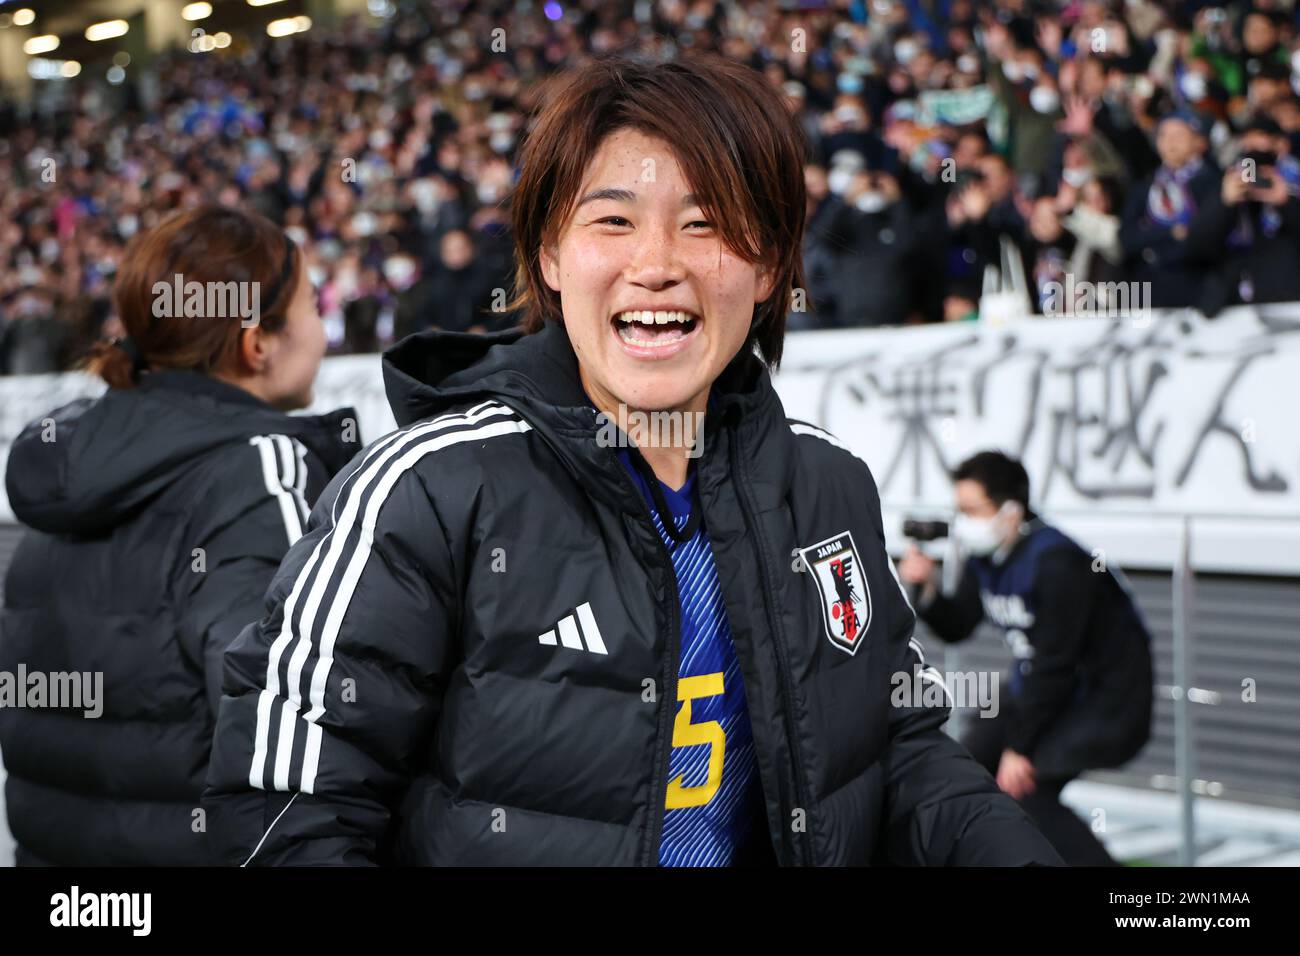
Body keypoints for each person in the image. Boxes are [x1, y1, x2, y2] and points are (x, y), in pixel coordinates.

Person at [203, 52, 1061, 867]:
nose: (657, 266)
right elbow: (285, 804)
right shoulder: (424, 491)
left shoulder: (828, 485)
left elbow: (895, 751)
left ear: (768, 268)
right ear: (549, 256)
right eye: (613, 220)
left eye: (708, 224)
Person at [0, 205, 360, 865]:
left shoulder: (68, 469)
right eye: (313, 303)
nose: (324, 327)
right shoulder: (257, 465)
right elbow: (280, 730)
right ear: (258, 343)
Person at [898, 451, 1154, 866]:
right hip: (1042, 689)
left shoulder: (1057, 562)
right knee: (965, 770)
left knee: (1026, 790)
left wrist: (1020, 747)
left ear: (1011, 512)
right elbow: (958, 624)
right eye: (957, 510)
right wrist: (926, 588)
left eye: (970, 510)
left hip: (1105, 700)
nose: (962, 522)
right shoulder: (987, 556)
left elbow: (1056, 664)